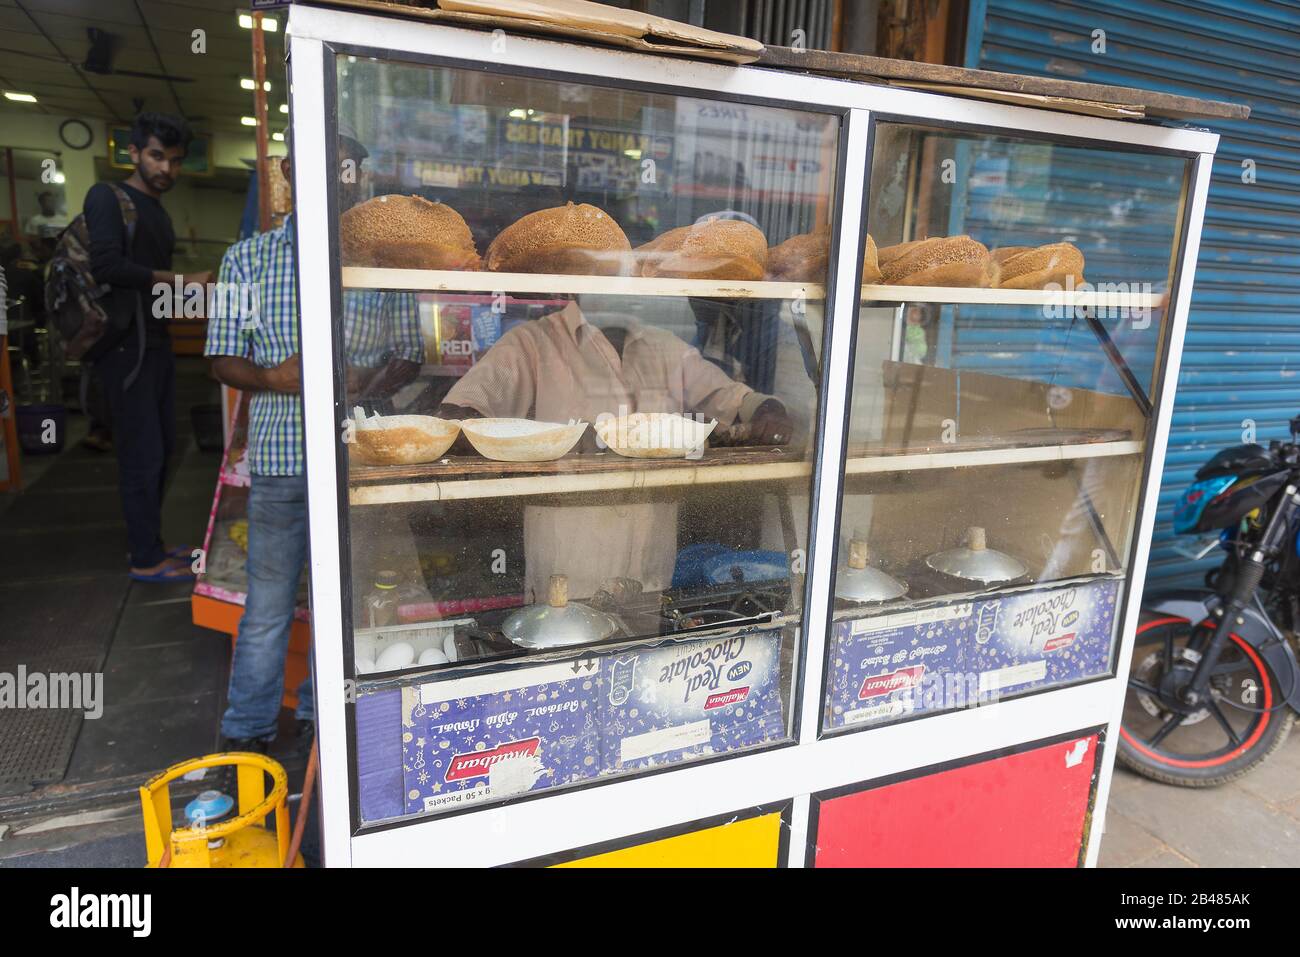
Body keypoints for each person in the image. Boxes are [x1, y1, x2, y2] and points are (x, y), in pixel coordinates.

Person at [205, 143, 422, 753]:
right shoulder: (247, 259)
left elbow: (409, 353)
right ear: (289, 173)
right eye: (322, 166)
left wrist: (365, 382)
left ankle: (321, 716)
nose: (338, 181)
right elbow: (221, 358)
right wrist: (275, 378)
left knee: (348, 602)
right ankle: (245, 735)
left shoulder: (381, 262)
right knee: (270, 607)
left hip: (357, 460)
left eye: (349, 170)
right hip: (281, 462)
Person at [436, 298, 792, 601]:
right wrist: (566, 439)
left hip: (651, 558)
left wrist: (765, 410)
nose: (613, 280)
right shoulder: (533, 343)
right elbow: (457, 420)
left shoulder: (664, 348)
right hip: (569, 566)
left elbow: (730, 398)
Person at [85, 111, 209, 582]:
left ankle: (151, 543)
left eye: (175, 161)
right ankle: (143, 558)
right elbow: (107, 266)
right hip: (123, 345)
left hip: (154, 341)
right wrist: (183, 282)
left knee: (163, 446)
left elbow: (154, 286)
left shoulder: (155, 209)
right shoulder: (107, 197)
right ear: (134, 152)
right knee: (141, 452)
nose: (166, 170)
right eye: (157, 156)